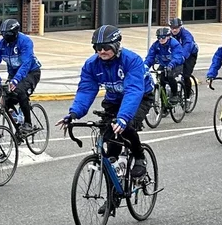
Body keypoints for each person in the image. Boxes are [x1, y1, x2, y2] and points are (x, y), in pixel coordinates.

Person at [59, 26, 154, 203]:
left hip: (141, 95)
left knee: (126, 126)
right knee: (110, 145)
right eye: (97, 47)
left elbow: (134, 90)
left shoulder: (132, 60)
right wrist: (73, 114)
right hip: (114, 98)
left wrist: (124, 118)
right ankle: (114, 193)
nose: (102, 51)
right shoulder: (92, 65)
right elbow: (86, 90)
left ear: (117, 45)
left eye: (106, 47)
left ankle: (140, 157)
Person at [0, 18, 42, 136]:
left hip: (31, 72)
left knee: (20, 91)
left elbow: (26, 64)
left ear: (15, 33)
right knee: (4, 98)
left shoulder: (25, 41)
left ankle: (28, 123)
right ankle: (17, 120)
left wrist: (16, 80)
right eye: (3, 33)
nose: (5, 36)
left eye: (8, 33)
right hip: (13, 73)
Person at [145, 26, 186, 107]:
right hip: (164, 64)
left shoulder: (174, 44)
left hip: (176, 64)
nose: (161, 39)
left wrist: (171, 65)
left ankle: (175, 94)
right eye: (159, 37)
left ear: (168, 37)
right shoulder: (156, 45)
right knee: (161, 79)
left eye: (163, 37)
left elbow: (177, 56)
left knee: (170, 76)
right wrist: (145, 66)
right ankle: (164, 104)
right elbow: (150, 57)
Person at [168, 16, 199, 93]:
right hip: (177, 54)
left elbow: (187, 47)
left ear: (180, 27)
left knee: (186, 75)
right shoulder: (169, 35)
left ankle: (188, 96)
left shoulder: (186, 35)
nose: (174, 30)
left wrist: (181, 58)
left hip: (190, 55)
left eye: (176, 28)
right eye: (172, 28)